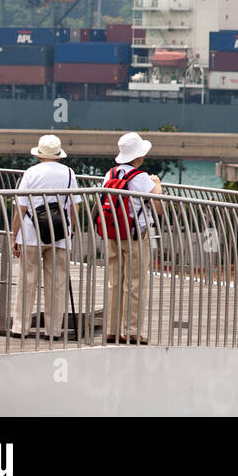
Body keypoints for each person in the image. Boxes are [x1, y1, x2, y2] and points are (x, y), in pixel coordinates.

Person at [10, 134, 76, 341]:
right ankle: (53, 330)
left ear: (40, 154)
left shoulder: (30, 173)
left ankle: (20, 328)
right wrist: (70, 231)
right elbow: (74, 207)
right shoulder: (68, 173)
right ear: (58, 155)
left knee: (26, 282)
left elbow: (21, 207)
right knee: (57, 283)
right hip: (59, 235)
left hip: (31, 233)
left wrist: (15, 235)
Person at [102, 131, 164, 345]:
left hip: (113, 234)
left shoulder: (110, 174)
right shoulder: (141, 178)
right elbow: (159, 208)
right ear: (138, 157)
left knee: (114, 282)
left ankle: (111, 329)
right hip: (136, 235)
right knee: (135, 283)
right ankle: (132, 331)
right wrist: (157, 186)